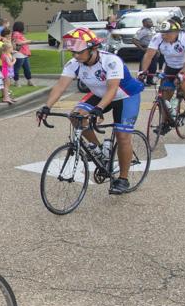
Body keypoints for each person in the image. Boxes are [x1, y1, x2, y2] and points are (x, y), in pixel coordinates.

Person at [35, 27, 143, 195]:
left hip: (125, 96)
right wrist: (46, 107)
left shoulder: (111, 61)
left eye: (79, 52)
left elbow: (113, 89)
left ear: (93, 48)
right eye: (73, 52)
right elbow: (60, 86)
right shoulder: (74, 64)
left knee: (122, 136)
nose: (76, 56)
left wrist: (99, 109)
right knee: (75, 116)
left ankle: (123, 179)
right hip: (100, 94)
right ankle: (98, 150)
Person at [140, 19, 185, 133]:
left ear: (177, 32)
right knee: (164, 96)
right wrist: (143, 72)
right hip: (171, 66)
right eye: (162, 33)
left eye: (167, 33)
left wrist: (181, 74)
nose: (164, 35)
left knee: (182, 82)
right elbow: (148, 55)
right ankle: (165, 123)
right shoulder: (157, 38)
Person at [10, 20, 34, 85]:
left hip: (24, 54)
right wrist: (28, 41)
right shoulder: (16, 34)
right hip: (19, 54)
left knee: (27, 68)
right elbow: (18, 42)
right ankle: (16, 81)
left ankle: (29, 81)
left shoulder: (19, 34)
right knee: (17, 69)